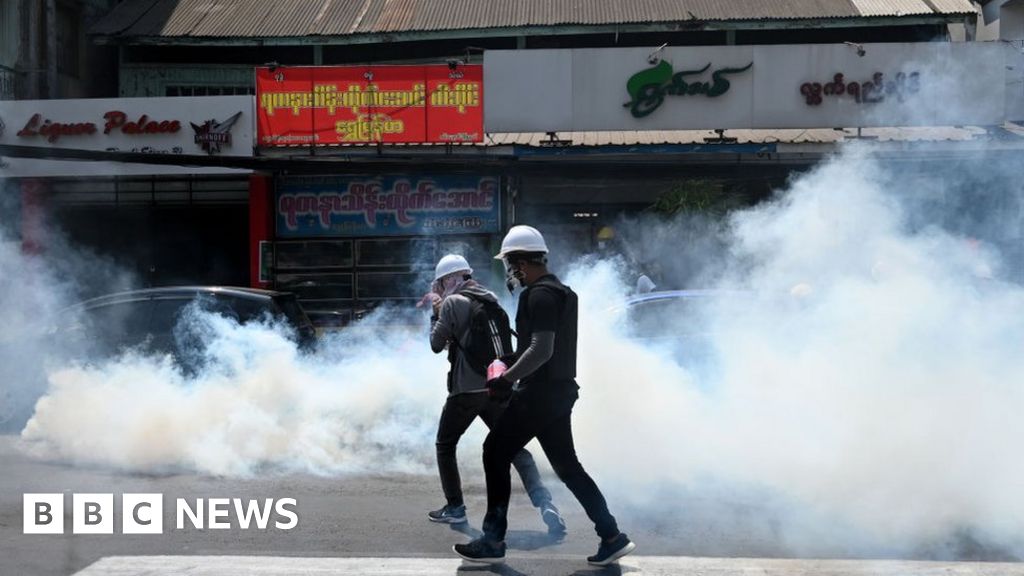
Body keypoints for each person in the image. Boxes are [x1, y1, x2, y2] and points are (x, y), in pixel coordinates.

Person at [453, 226, 636, 566]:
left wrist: (507, 379)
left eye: (510, 264)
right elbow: (536, 347)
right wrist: (508, 362)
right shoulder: (562, 293)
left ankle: (492, 540)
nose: (511, 272)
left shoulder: (537, 295)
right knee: (567, 467)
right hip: (559, 392)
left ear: (522, 263)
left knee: (495, 450)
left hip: (539, 393)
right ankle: (612, 536)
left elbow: (542, 349)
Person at [423, 253, 566, 533]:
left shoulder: (452, 302)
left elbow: (435, 344)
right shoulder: (489, 297)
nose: (438, 287)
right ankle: (545, 502)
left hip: (466, 390)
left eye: (441, 282)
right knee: (514, 447)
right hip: (496, 384)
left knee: (445, 444)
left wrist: (436, 313)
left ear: (450, 280)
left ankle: (455, 507)